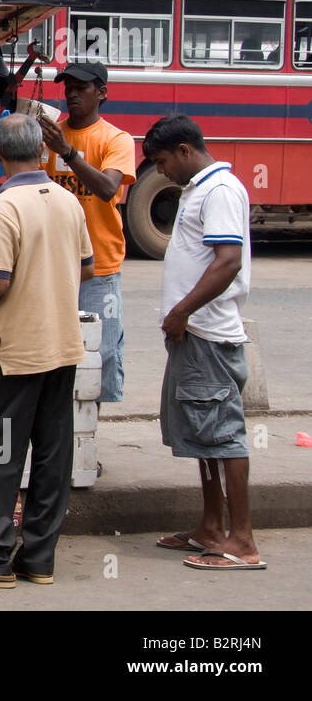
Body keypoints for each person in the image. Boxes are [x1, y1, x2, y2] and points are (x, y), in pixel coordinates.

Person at [0, 114, 94, 589]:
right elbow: (87, 268)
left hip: (14, 351)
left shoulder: (6, 205)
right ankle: (39, 559)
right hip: (64, 346)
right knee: (52, 455)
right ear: (41, 150)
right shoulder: (69, 201)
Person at [143, 115, 263, 570]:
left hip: (208, 332)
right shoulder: (200, 190)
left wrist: (181, 312)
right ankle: (212, 527)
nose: (162, 173)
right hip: (193, 334)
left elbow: (227, 262)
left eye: (162, 162)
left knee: (224, 435)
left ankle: (243, 541)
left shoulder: (220, 191)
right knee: (202, 433)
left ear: (185, 151)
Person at [38, 60, 136, 407]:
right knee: (54, 357)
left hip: (100, 268)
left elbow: (108, 188)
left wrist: (67, 152)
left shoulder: (116, 139)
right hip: (54, 267)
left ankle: (89, 442)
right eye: (68, 88)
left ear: (102, 93)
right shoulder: (48, 135)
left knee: (98, 356)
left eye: (82, 88)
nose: (72, 94)